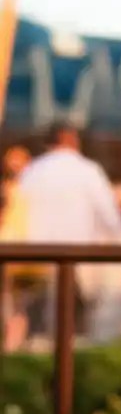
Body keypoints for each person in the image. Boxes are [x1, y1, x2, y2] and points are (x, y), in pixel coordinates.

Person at [18, 123, 121, 337]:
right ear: (73, 140)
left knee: (36, 330)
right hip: (77, 260)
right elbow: (111, 219)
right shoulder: (87, 171)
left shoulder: (31, 172)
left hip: (33, 261)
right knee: (73, 331)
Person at [1, 146, 32, 350]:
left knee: (16, 304)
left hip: (22, 251)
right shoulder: (9, 189)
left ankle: (12, 346)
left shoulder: (29, 189)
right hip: (11, 249)